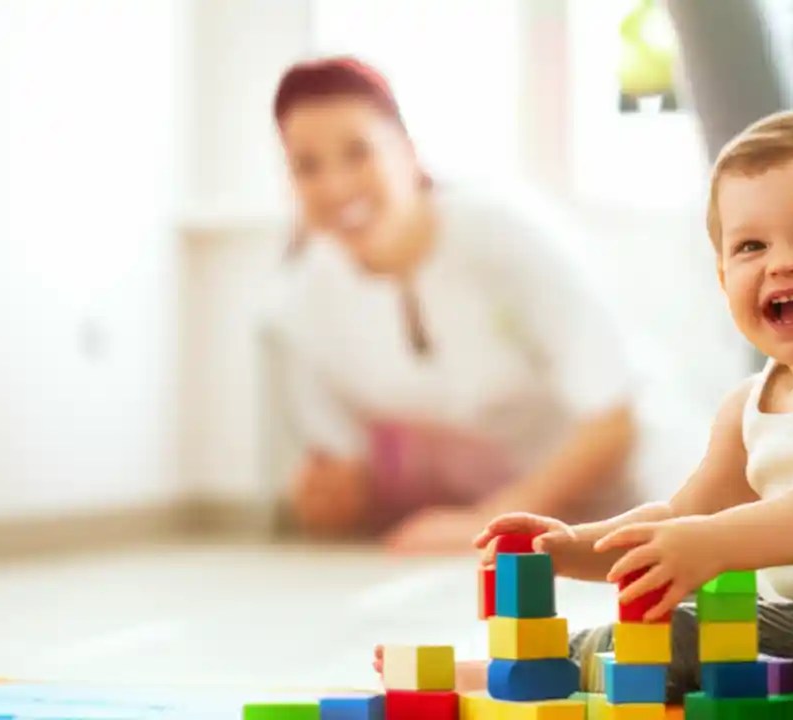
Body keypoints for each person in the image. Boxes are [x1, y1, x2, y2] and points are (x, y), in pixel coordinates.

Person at [374, 107, 793, 719]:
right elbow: (683, 520)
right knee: (671, 626)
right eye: (751, 247)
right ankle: (515, 670)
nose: (784, 262)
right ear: (723, 280)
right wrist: (570, 548)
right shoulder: (747, 407)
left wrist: (715, 545)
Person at [268, 57, 697, 553]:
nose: (336, 186)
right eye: (307, 166)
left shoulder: (505, 234)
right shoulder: (302, 302)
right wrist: (328, 495)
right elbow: (345, 470)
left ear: (408, 152)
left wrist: (492, 520)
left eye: (358, 153)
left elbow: (614, 418)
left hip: (645, 483)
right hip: (518, 524)